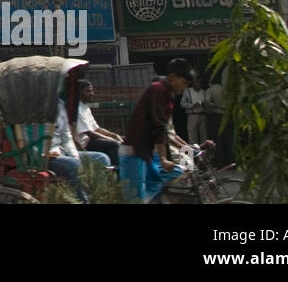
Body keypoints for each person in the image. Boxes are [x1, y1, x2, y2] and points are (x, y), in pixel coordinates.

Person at [119, 59, 196, 202]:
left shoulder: (165, 94)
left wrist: (184, 149)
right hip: (135, 152)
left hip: (146, 153)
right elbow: (158, 126)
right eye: (184, 83)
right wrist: (163, 158)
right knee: (135, 199)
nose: (184, 88)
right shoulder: (158, 90)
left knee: (163, 183)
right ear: (172, 77)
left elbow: (164, 131)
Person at [48, 95, 111, 200]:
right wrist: (44, 154)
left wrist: (74, 155)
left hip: (62, 151)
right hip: (44, 156)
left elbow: (66, 135)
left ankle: (99, 198)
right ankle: (82, 201)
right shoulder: (28, 106)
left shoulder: (58, 104)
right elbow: (26, 138)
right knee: (73, 165)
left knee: (101, 158)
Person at [73, 80, 122, 168]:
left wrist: (114, 135)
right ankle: (115, 174)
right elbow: (90, 133)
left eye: (91, 91)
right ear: (79, 93)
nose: (92, 94)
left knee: (121, 140)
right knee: (113, 144)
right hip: (84, 145)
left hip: (90, 141)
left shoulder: (85, 107)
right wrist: (111, 139)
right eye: (88, 91)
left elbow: (96, 128)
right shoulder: (77, 108)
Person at [182, 78, 208, 146]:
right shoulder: (187, 91)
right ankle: (194, 155)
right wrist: (192, 105)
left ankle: (204, 155)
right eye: (195, 83)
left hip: (202, 114)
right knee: (192, 136)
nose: (197, 84)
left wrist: (205, 104)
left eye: (199, 83)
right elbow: (182, 103)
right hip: (192, 115)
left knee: (204, 136)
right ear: (192, 84)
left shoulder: (204, 91)